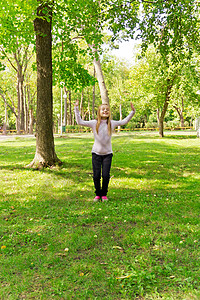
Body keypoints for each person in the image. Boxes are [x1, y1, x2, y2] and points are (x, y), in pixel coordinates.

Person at [74, 100, 136, 202]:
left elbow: (124, 121)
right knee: (96, 175)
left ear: (109, 112)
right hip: (96, 154)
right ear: (99, 112)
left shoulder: (112, 123)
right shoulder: (94, 123)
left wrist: (132, 112)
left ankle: (104, 194)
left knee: (106, 175)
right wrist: (76, 108)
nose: (105, 111)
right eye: (103, 109)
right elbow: (80, 122)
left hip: (107, 154)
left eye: (107, 110)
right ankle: (97, 194)